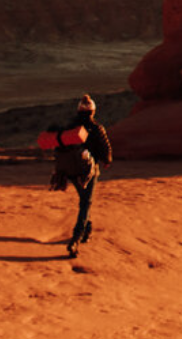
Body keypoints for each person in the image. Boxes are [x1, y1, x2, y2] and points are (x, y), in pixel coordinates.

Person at [48, 93, 112, 257]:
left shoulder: (70, 127)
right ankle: (75, 240)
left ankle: (87, 230)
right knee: (85, 203)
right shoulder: (96, 128)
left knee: (84, 199)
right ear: (93, 111)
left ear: (78, 111)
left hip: (70, 171)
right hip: (88, 171)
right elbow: (106, 150)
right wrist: (106, 160)